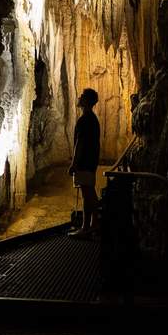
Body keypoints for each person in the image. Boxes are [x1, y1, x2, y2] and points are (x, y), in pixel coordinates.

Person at [67, 87, 101, 237]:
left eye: (82, 96)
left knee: (87, 194)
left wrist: (74, 164)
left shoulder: (85, 120)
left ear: (86, 101)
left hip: (84, 162)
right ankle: (95, 223)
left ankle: (85, 227)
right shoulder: (93, 119)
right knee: (90, 192)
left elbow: (79, 144)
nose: (79, 97)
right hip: (91, 161)